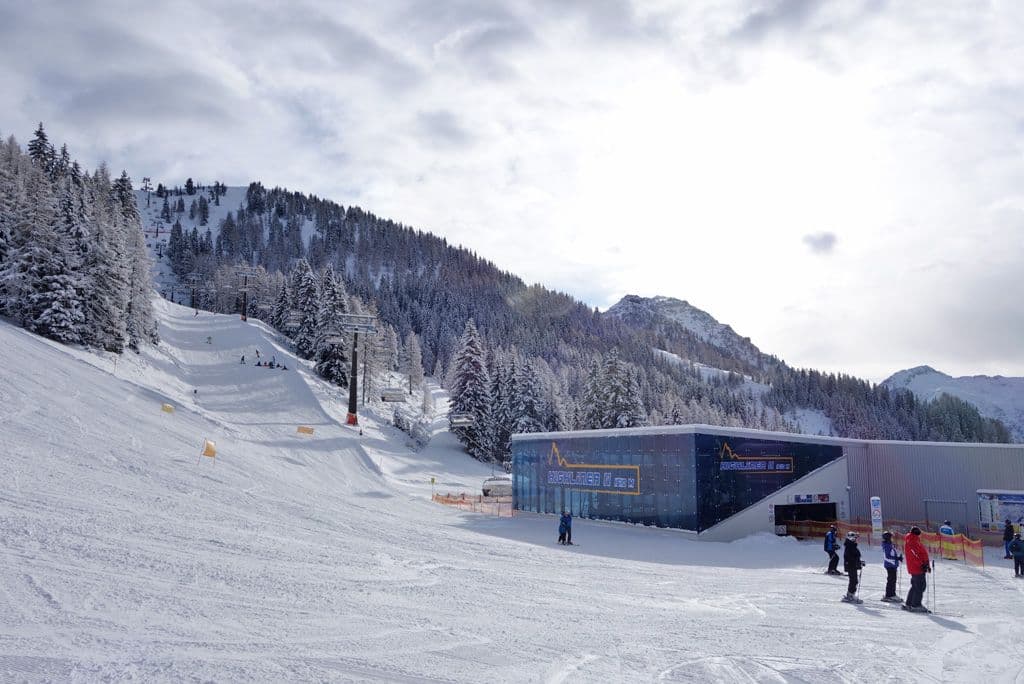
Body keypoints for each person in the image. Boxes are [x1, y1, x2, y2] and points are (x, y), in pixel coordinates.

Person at [903, 526, 931, 613]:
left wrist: (926, 564)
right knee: (919, 586)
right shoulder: (912, 541)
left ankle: (910, 603)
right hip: (917, 568)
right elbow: (915, 556)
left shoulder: (914, 540)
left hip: (917, 567)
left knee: (916, 585)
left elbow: (921, 554)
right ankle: (916, 605)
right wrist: (922, 565)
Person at [842, 531, 865, 603]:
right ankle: (850, 595)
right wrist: (857, 562)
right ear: (851, 538)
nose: (855, 539)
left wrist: (859, 562)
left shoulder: (851, 545)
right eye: (855, 538)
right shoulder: (849, 546)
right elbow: (849, 557)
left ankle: (851, 594)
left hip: (852, 565)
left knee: (854, 580)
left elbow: (854, 557)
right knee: (853, 580)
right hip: (851, 566)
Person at [881, 531, 903, 602]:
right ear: (888, 538)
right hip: (890, 565)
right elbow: (887, 557)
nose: (892, 539)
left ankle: (892, 594)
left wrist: (898, 557)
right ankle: (889, 595)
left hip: (892, 565)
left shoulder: (889, 545)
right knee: (891, 580)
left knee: (892, 580)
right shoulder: (887, 545)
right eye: (890, 537)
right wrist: (897, 558)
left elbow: (892, 554)